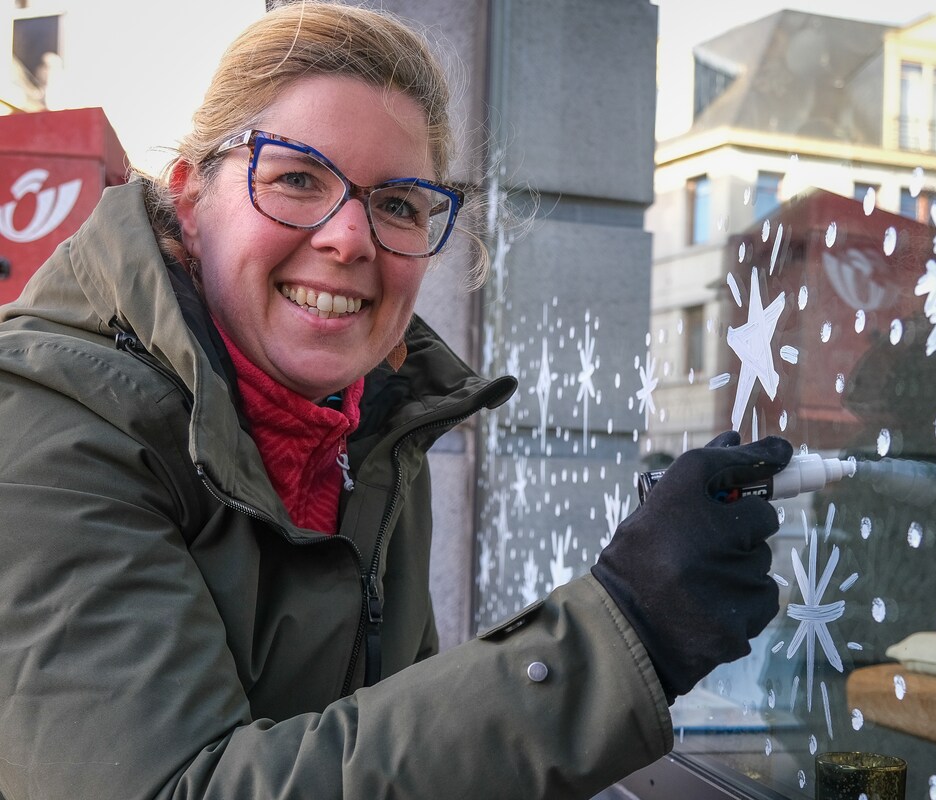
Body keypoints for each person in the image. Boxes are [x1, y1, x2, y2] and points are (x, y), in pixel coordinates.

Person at [0, 3, 792, 798]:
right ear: (191, 199)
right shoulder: (48, 422)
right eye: (297, 178)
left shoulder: (373, 432)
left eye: (397, 203)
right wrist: (625, 632)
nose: (350, 238)